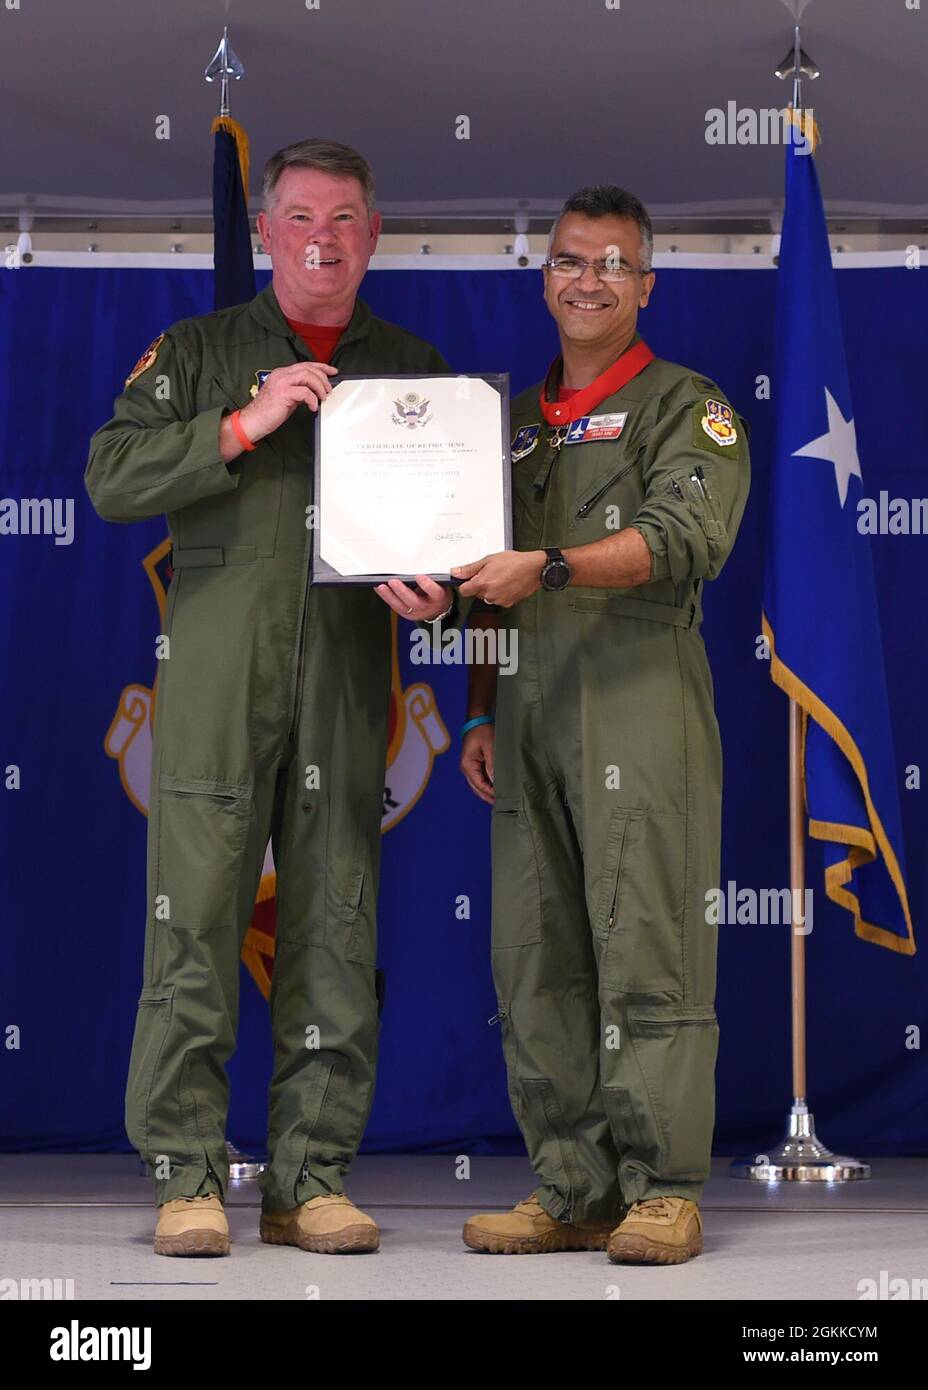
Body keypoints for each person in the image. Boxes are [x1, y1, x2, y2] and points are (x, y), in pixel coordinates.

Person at [85, 139, 452, 1257]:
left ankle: (308, 1180)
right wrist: (243, 424)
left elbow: (448, 547)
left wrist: (437, 591)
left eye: (344, 218)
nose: (322, 240)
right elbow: (110, 476)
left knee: (334, 928)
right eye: (298, 217)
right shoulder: (199, 352)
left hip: (344, 687)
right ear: (267, 232)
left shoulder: (411, 369)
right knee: (192, 926)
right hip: (210, 692)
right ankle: (188, 1176)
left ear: (374, 235)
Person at [454, 185, 750, 1264]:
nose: (587, 281)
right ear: (545, 279)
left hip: (638, 699)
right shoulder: (510, 424)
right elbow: (486, 588)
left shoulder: (687, 403)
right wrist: (482, 706)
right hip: (527, 709)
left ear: (645, 285)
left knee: (649, 947)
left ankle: (663, 1187)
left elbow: (684, 533)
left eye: (611, 264)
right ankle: (573, 1184)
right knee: (536, 956)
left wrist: (557, 566)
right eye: (570, 261)